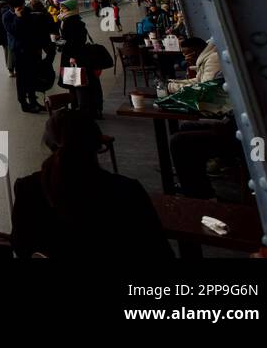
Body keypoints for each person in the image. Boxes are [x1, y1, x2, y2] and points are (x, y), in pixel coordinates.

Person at [11, 110, 173, 258]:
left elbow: (21, 248)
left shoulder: (28, 190)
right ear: (98, 144)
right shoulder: (127, 192)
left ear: (48, 143)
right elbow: (159, 251)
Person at [169, 113, 241, 199]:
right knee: (186, 125)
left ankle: (200, 196)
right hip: (234, 122)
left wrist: (228, 123)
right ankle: (197, 186)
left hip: (239, 132)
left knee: (179, 142)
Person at [57, 0, 100, 117]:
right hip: (71, 55)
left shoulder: (72, 22)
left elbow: (76, 41)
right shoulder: (67, 20)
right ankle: (78, 107)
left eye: (64, 8)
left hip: (74, 57)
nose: (61, 10)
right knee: (75, 83)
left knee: (78, 83)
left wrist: (72, 56)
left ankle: (82, 109)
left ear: (71, 9)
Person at [9, 0, 47, 113]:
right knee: (21, 79)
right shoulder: (8, 16)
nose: (22, 7)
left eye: (23, 5)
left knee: (32, 76)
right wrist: (18, 17)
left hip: (31, 49)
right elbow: (14, 32)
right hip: (19, 51)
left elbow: (34, 28)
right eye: (19, 5)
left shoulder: (28, 12)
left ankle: (33, 101)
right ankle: (24, 103)